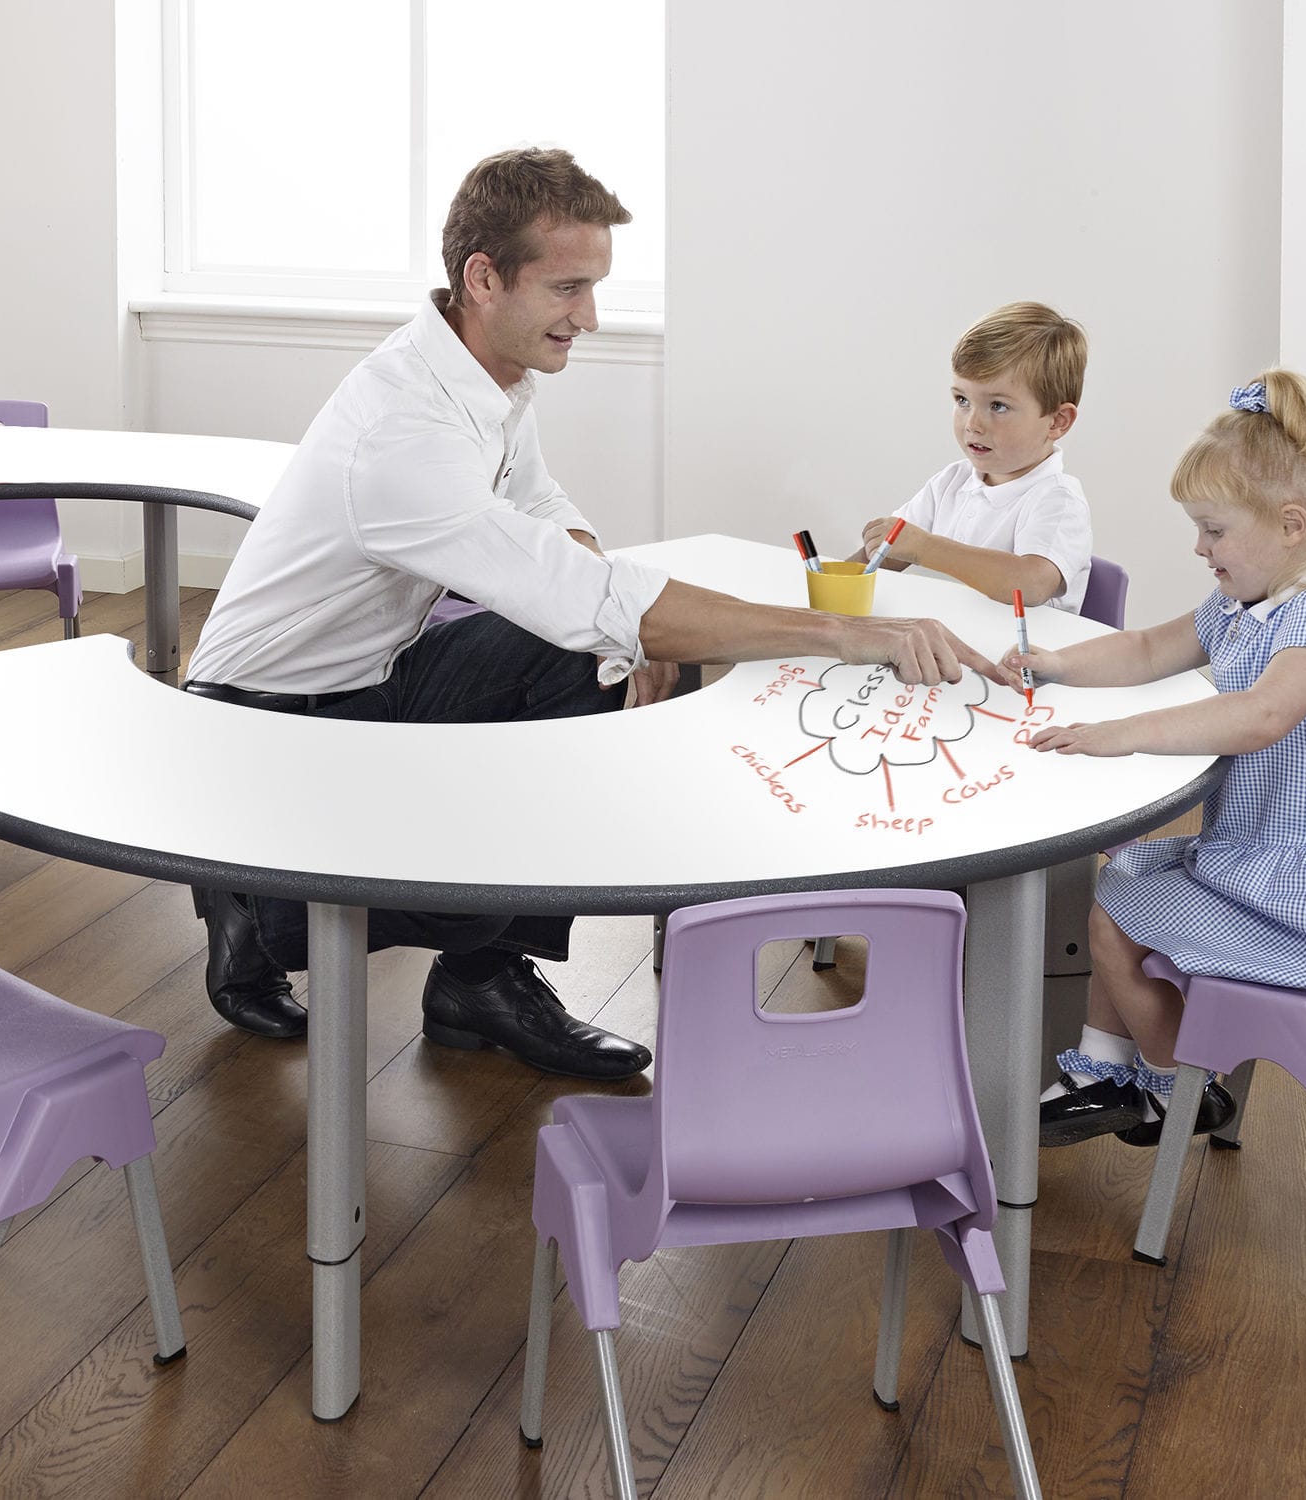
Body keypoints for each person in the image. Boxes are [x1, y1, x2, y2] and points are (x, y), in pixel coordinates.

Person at [183, 147, 1007, 1082]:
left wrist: (617, 624)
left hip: (374, 676)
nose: (590, 317)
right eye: (569, 287)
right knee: (467, 842)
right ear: (482, 278)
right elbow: (578, 591)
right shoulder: (400, 435)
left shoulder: (485, 369)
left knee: (570, 650)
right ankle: (251, 898)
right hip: (266, 724)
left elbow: (542, 512)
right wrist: (844, 631)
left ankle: (480, 982)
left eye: (596, 287)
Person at [1011, 371, 1306, 1147]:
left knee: (1116, 917)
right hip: (1256, 854)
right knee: (1121, 880)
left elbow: (1259, 717)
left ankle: (1177, 1091)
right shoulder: (1240, 603)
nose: (1199, 546)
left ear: (1290, 526)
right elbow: (1150, 647)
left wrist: (1125, 733)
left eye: (1213, 529)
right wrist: (1055, 662)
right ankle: (1102, 1070)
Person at [853, 301, 1092, 612]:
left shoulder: (1058, 500)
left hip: (1019, 656)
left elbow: (1031, 584)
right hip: (948, 643)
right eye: (962, 399)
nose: (972, 424)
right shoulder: (951, 482)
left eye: (998, 406)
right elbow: (886, 555)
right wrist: (831, 582)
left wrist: (924, 547)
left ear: (1058, 421)